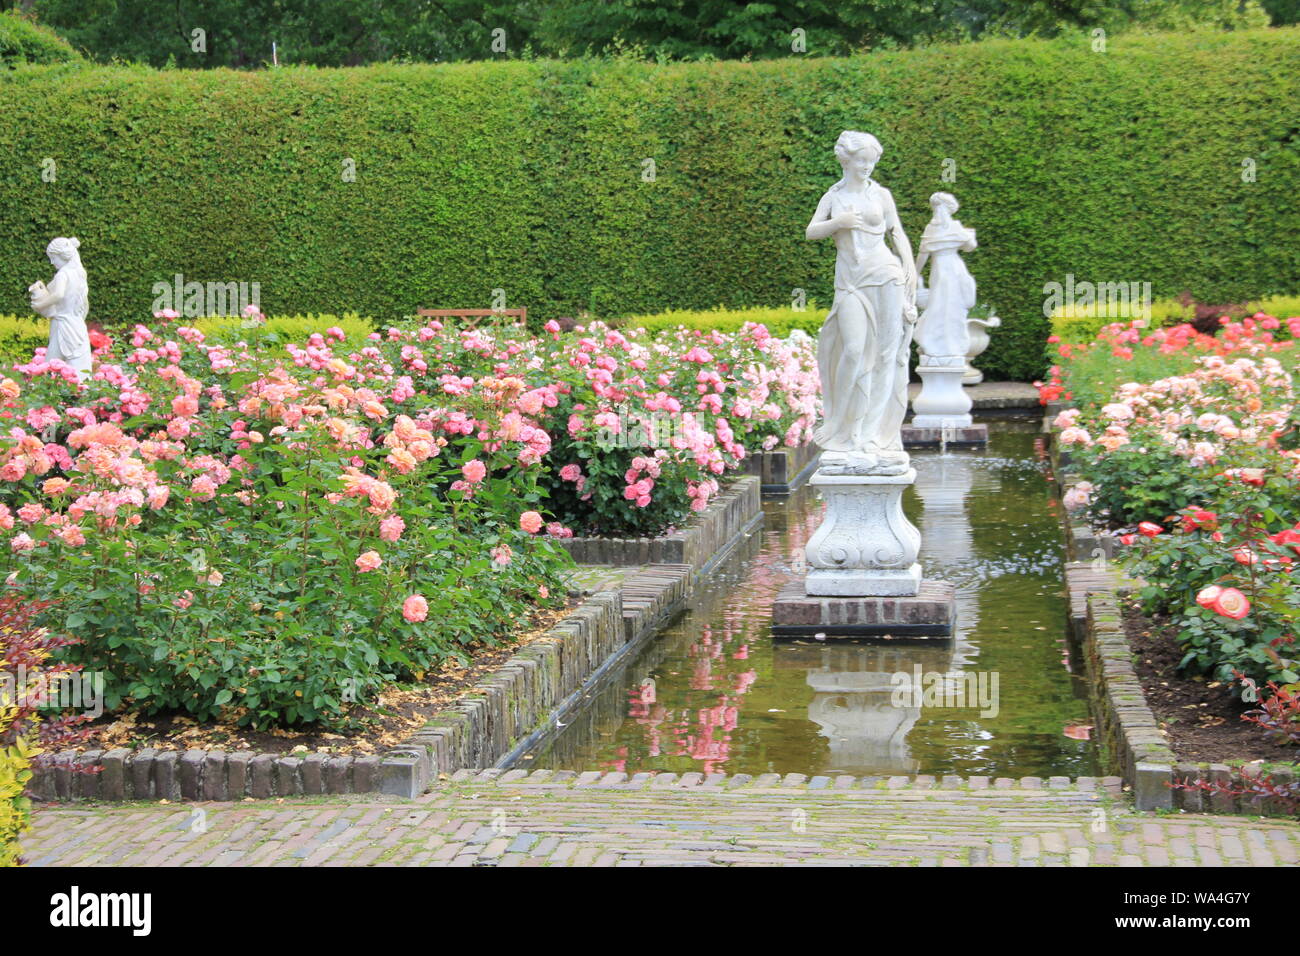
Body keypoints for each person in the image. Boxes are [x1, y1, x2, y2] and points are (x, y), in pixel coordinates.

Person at [805, 131, 917, 465]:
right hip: (851, 282)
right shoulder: (833, 196)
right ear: (846, 159)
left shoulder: (881, 194)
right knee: (853, 350)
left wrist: (909, 266)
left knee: (886, 354)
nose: (867, 166)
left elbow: (897, 233)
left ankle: (871, 435)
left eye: (872, 161)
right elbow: (811, 231)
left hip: (886, 274)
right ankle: (840, 422)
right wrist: (837, 222)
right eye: (862, 160)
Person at [914, 192, 977, 365]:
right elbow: (970, 246)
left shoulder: (944, 228)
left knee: (949, 306)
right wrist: (914, 273)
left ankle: (949, 346)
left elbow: (923, 255)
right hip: (946, 269)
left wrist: (915, 272)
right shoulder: (947, 228)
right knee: (943, 305)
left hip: (949, 269)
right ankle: (940, 345)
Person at [29, 236, 92, 380]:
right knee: (78, 360)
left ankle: (44, 393)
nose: (52, 262)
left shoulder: (63, 274)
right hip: (76, 322)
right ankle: (83, 392)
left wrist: (40, 304)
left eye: (53, 258)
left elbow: (58, 295)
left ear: (63, 256)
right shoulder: (80, 273)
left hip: (62, 323)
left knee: (52, 362)